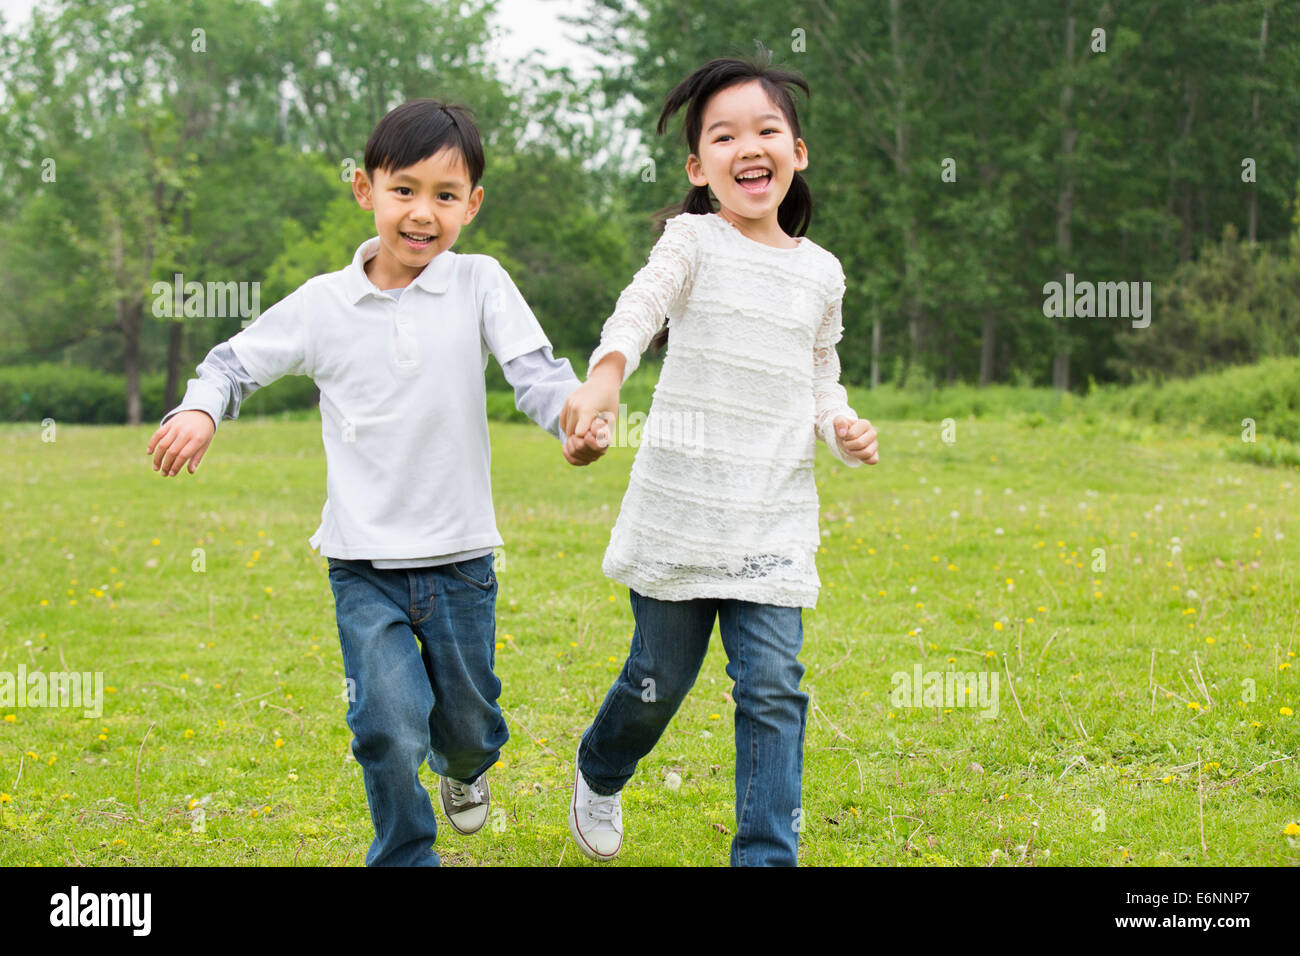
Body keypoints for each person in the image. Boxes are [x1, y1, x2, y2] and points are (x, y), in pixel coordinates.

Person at [146, 99, 610, 866]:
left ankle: (465, 771)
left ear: (473, 205)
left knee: (467, 726)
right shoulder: (325, 303)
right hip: (363, 565)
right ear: (365, 188)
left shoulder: (480, 283)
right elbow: (234, 361)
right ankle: (404, 853)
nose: (422, 213)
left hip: (460, 560)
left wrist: (573, 421)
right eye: (404, 190)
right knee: (386, 724)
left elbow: (537, 374)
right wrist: (201, 410)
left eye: (445, 195)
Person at [560, 56, 880, 866]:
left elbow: (820, 371)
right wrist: (605, 378)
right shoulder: (692, 241)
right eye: (726, 135)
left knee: (773, 688)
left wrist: (839, 422)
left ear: (797, 152)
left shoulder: (821, 272)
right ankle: (600, 768)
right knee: (656, 682)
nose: (751, 147)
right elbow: (642, 305)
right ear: (700, 168)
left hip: (772, 517)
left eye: (767, 130)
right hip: (681, 509)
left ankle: (765, 855)